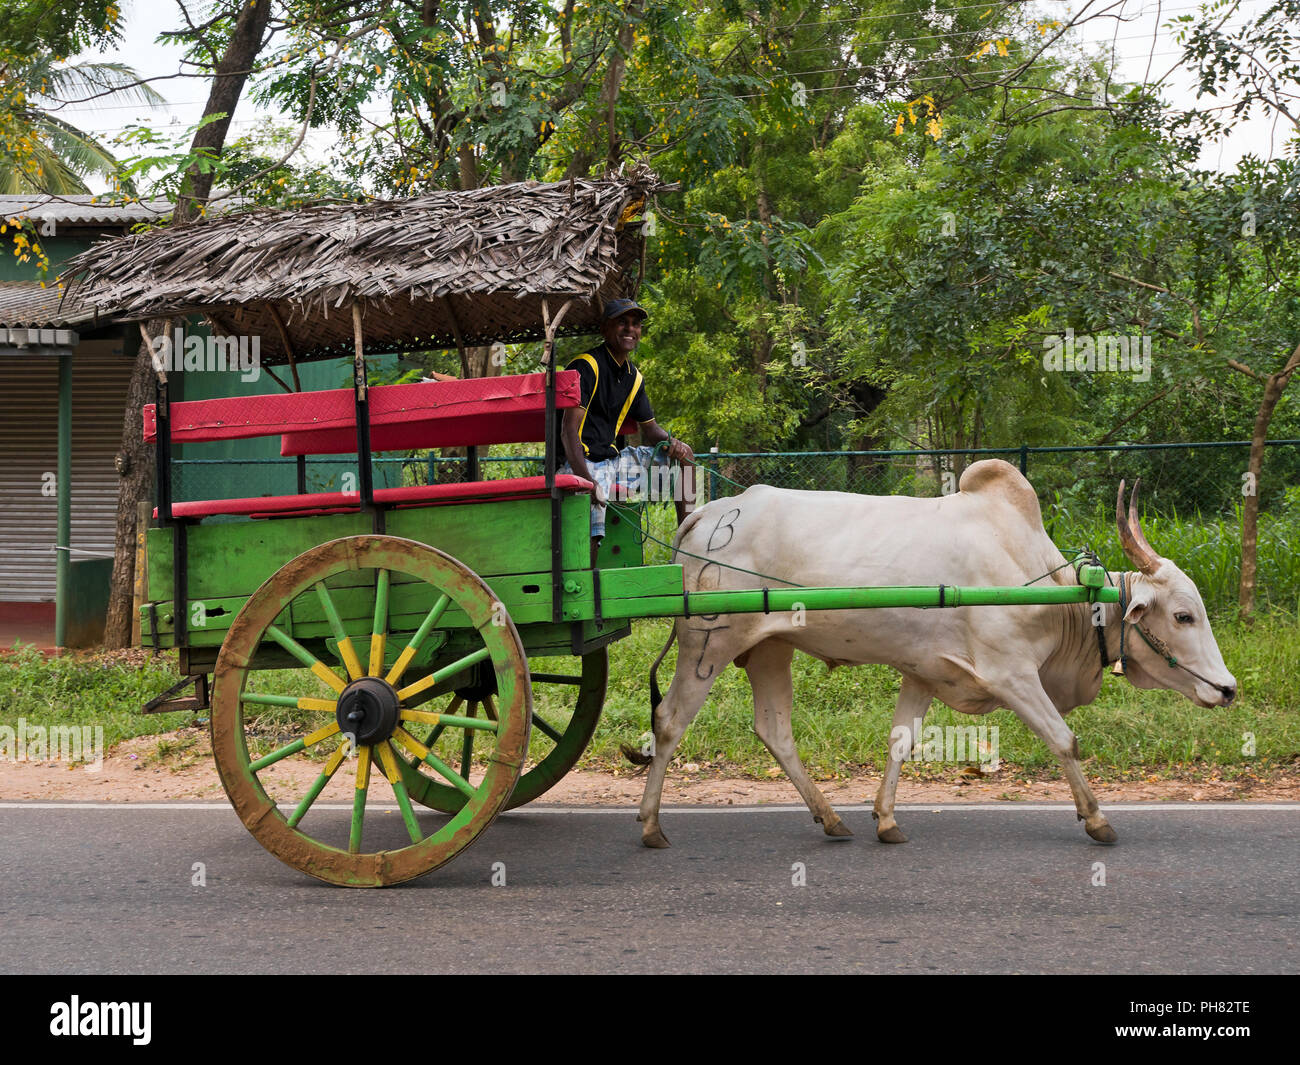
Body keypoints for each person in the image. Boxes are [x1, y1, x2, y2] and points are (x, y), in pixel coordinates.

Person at [558, 298, 695, 566]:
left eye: (635, 324)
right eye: (622, 322)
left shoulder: (634, 376)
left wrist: (674, 444)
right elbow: (567, 432)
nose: (630, 329)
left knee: (686, 457)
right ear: (605, 329)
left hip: (612, 462)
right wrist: (588, 483)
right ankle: (586, 585)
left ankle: (687, 544)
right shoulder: (586, 366)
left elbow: (651, 431)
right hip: (577, 464)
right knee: (595, 500)